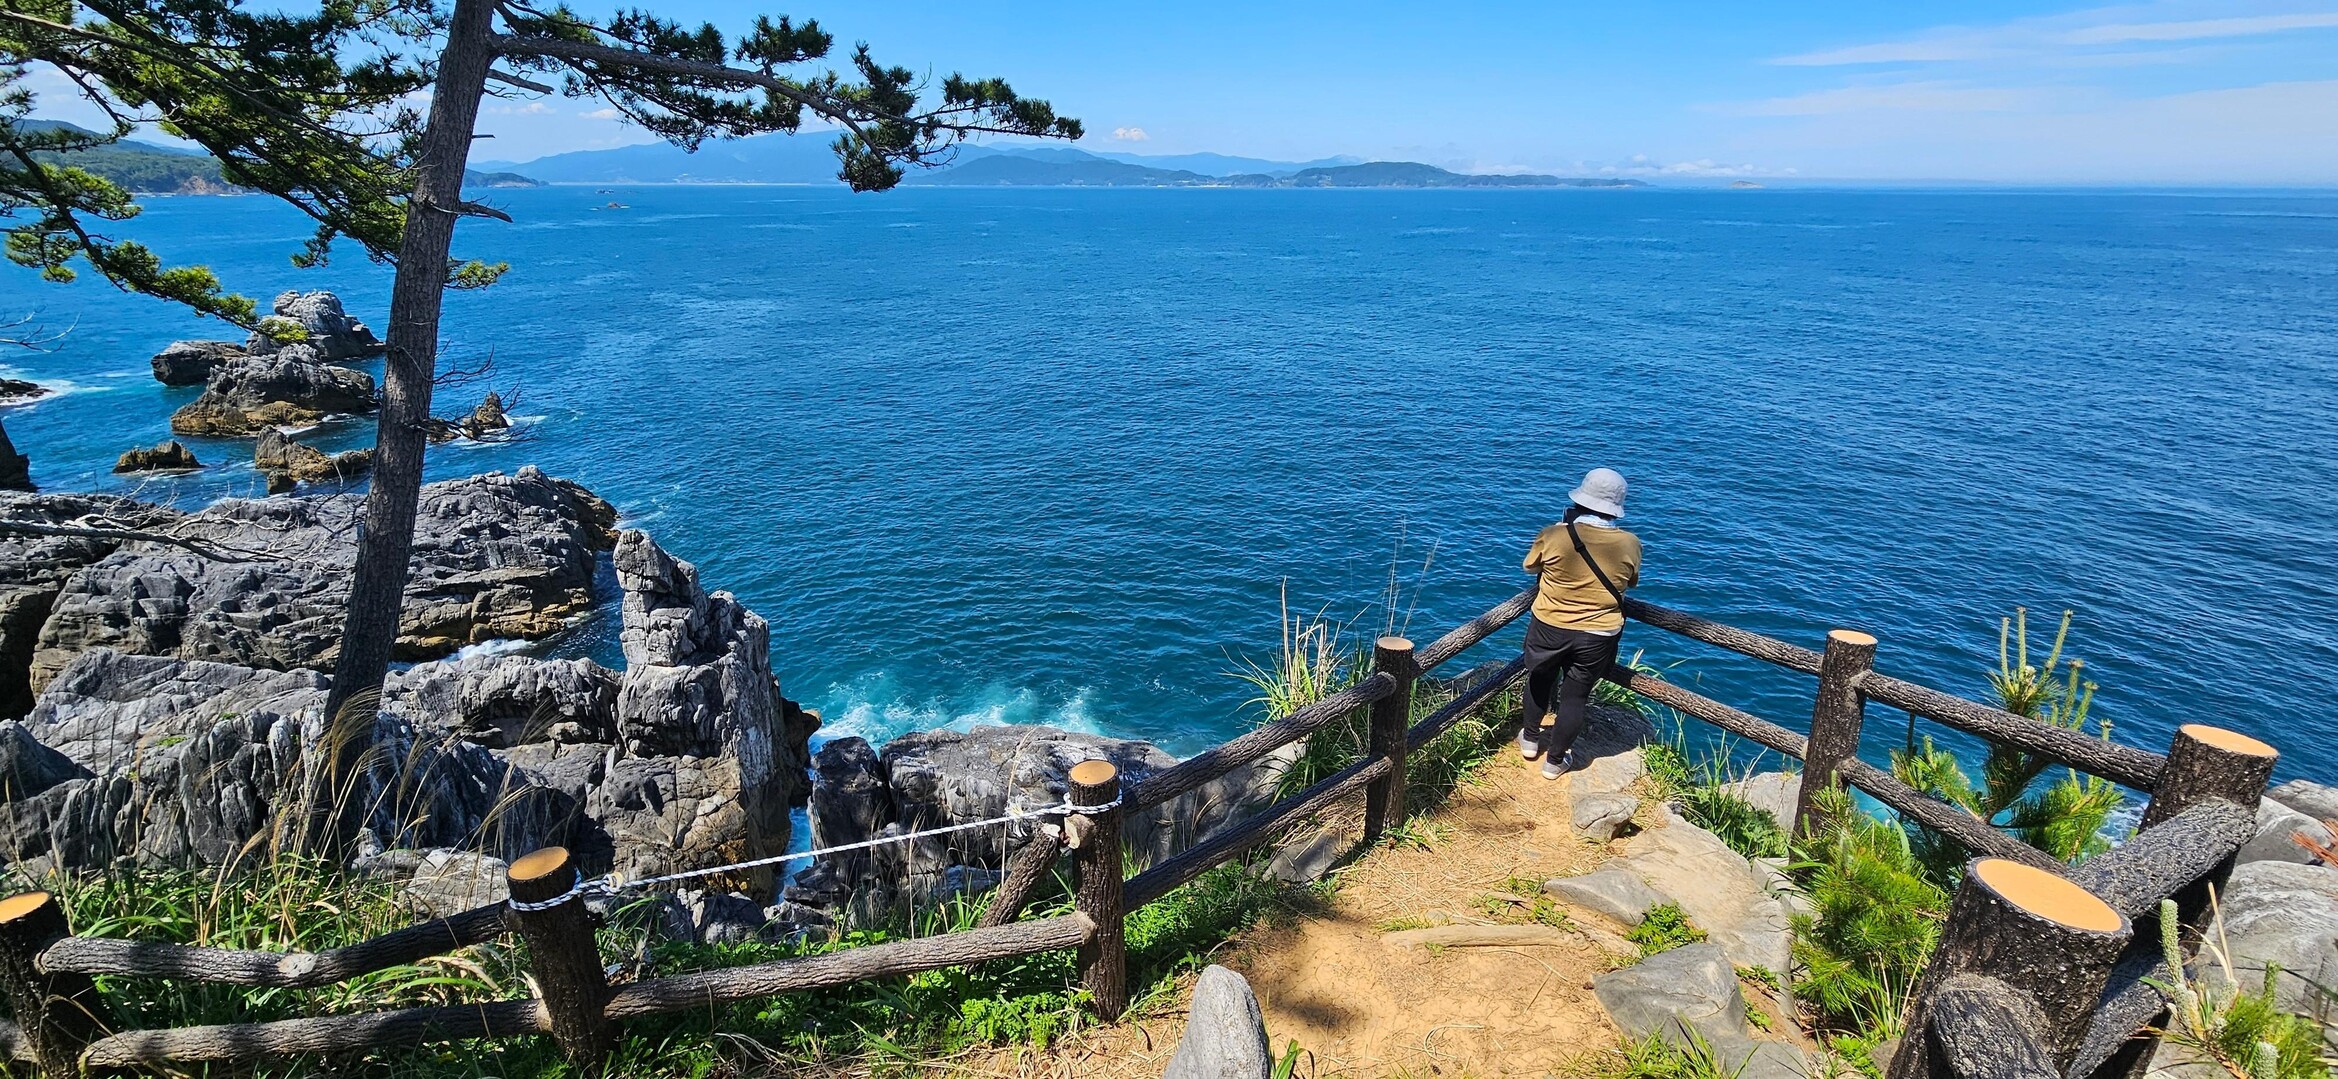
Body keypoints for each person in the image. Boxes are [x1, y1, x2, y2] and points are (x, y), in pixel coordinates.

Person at [1518, 467, 1642, 779]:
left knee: (1539, 678)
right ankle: (1555, 762)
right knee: (1576, 696)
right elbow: (1631, 581)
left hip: (1550, 623)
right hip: (1598, 633)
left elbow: (1529, 566)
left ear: (1580, 500)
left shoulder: (1555, 534)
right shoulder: (1630, 543)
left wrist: (1561, 532)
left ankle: (1530, 740)